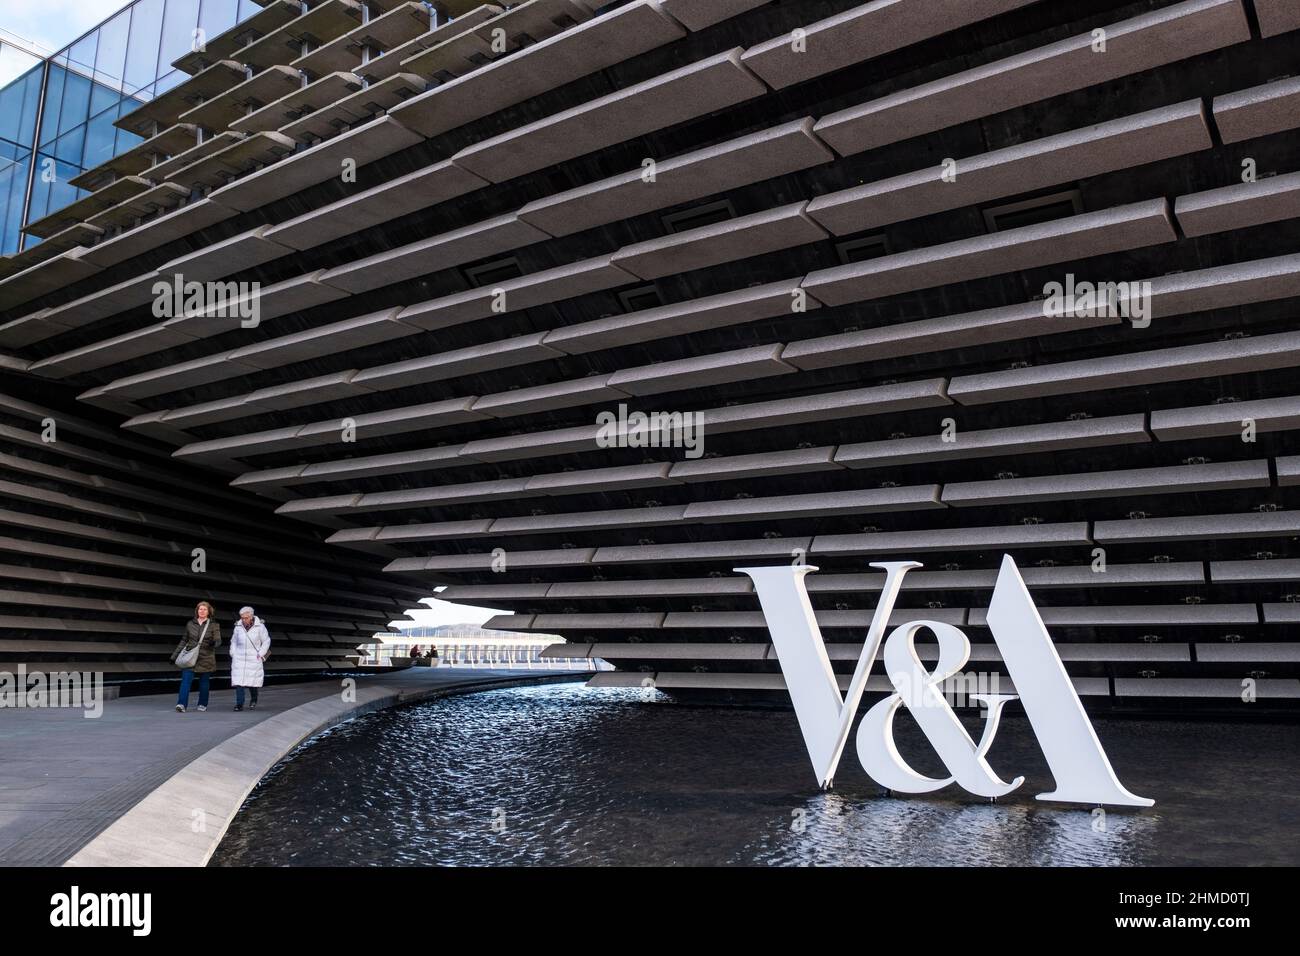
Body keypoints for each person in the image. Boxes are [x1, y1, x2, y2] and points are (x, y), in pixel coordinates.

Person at [173, 601, 221, 713]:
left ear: (209, 611)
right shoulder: (190, 624)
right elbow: (184, 640)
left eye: (204, 609)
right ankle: (181, 704)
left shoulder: (214, 625)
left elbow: (218, 640)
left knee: (204, 682)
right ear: (197, 610)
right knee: (185, 681)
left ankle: (202, 704)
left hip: (206, 657)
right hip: (190, 656)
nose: (202, 611)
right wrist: (175, 656)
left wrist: (214, 643)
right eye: (200, 609)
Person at [230, 606, 271, 711]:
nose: (244, 620)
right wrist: (233, 652)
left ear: (251, 616)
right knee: (239, 682)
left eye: (246, 617)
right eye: (242, 617)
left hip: (254, 657)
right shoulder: (238, 627)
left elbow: (266, 641)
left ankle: (254, 699)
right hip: (239, 657)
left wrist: (261, 653)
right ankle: (239, 704)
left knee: (252, 682)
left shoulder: (260, 627)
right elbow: (233, 641)